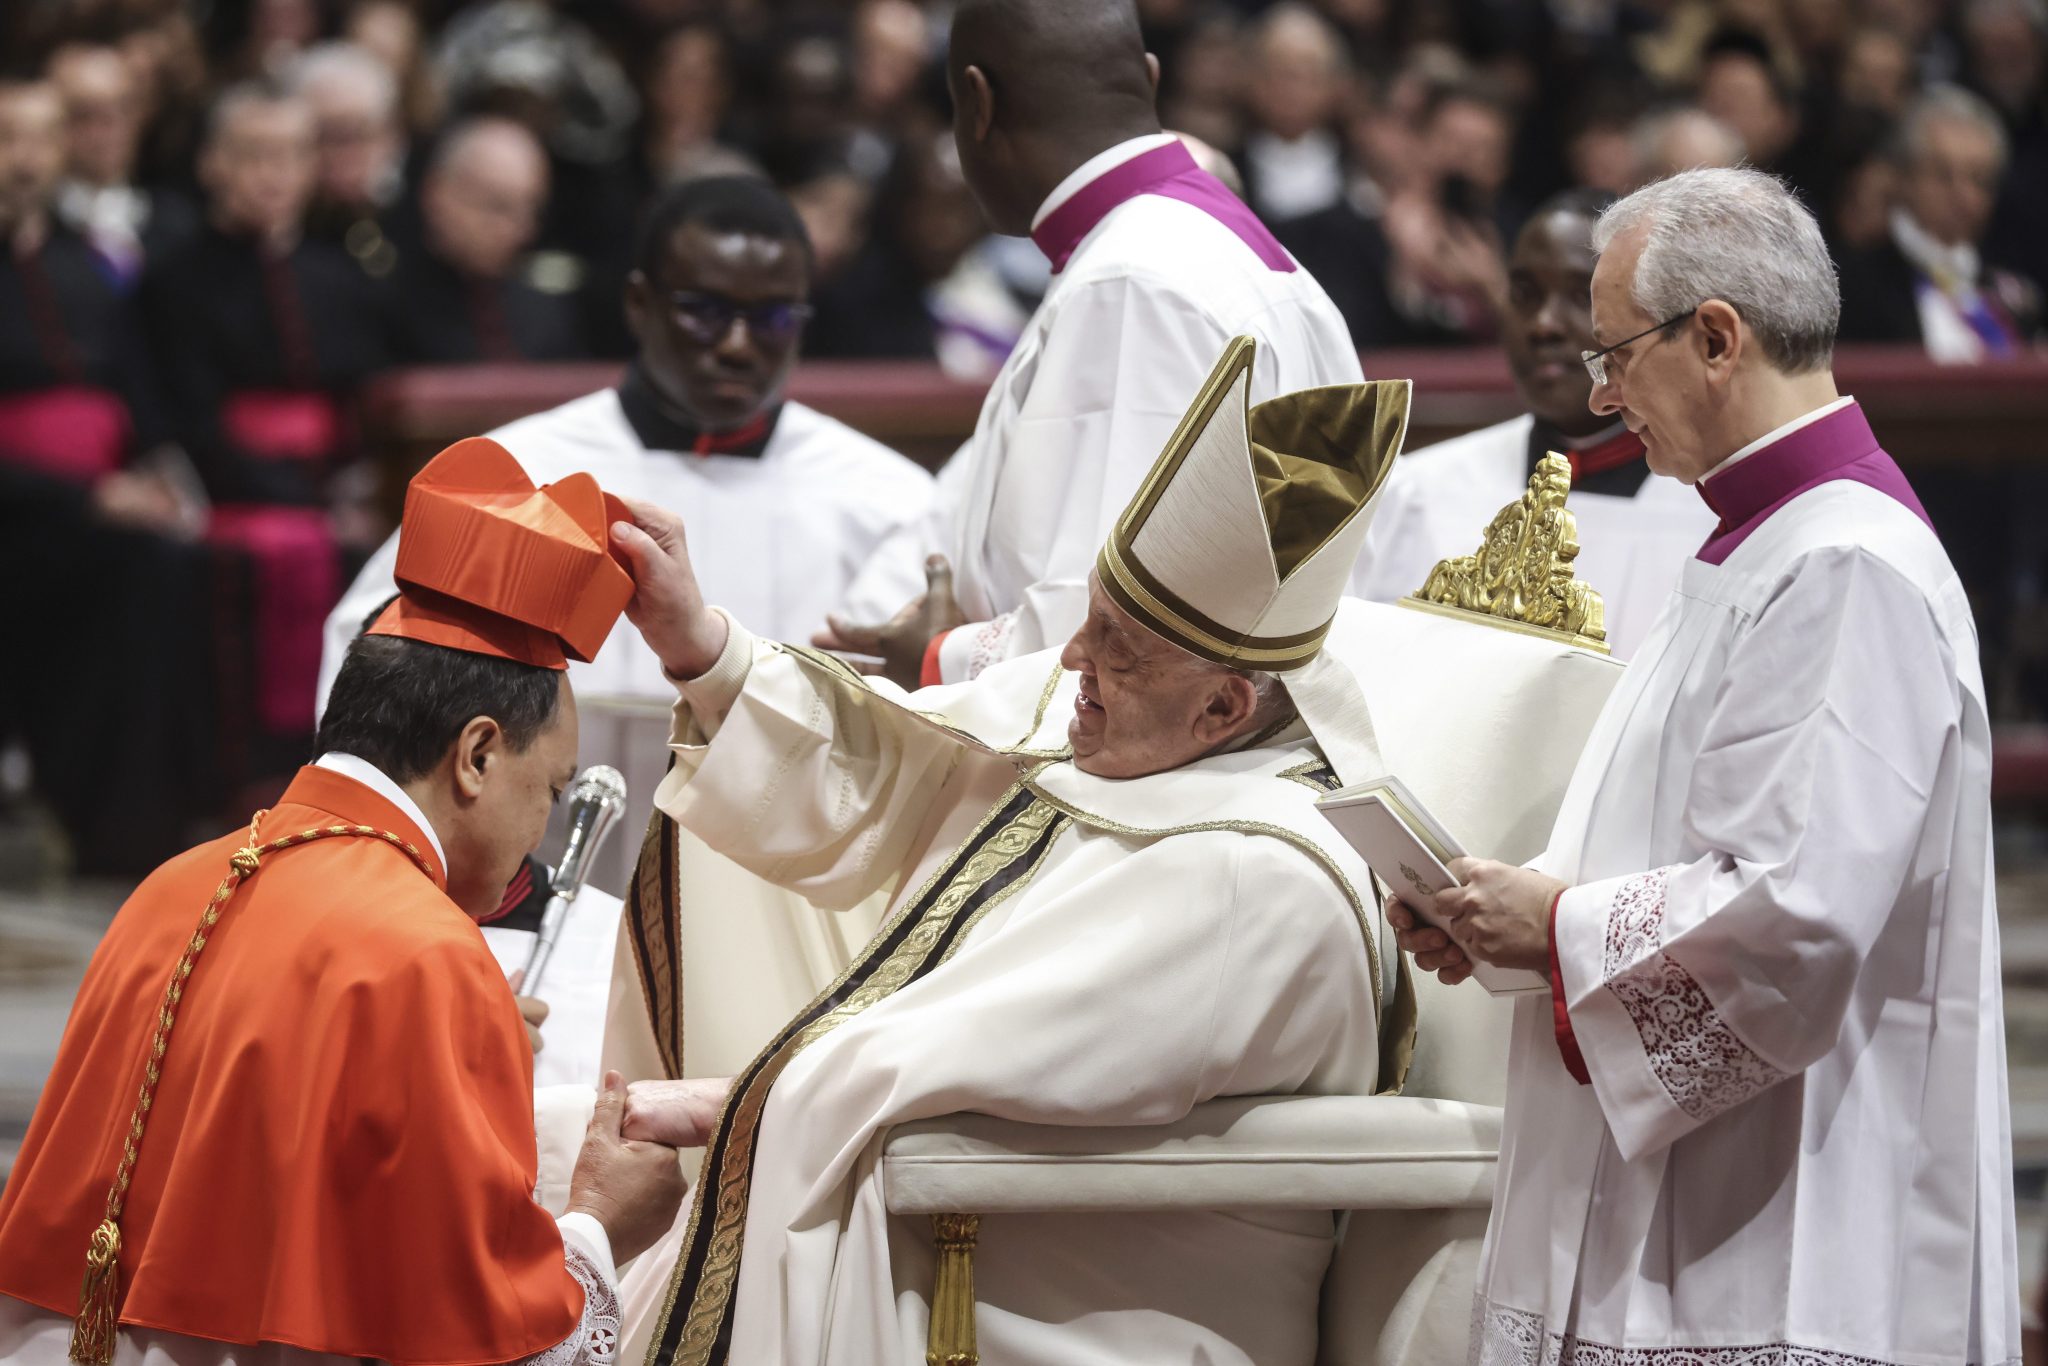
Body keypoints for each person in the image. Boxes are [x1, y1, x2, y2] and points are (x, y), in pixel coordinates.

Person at [612, 336, 1410, 1365]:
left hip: (1075, 1310)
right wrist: (697, 646)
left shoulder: (1259, 875)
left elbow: (937, 1062)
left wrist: (732, 1104)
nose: (1071, 658)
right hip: (976, 1239)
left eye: (1115, 646)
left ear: (1224, 705)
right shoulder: (1115, 722)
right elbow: (882, 763)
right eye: (1087, 619)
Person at [1387, 167, 2019, 1361]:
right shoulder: (1763, 542)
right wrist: (1503, 917)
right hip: (1714, 1173)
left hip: (1781, 1206)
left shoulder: (1843, 565)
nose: (1601, 388)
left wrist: (1558, 924)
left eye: (1614, 353)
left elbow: (1794, 907)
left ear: (1716, 336)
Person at [0, 439, 686, 1364]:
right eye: (550, 791)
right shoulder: (431, 952)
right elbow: (492, 1344)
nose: (541, 832)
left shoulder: (178, 880)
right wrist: (603, 1223)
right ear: (478, 756)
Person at [323, 173, 934, 885]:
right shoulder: (523, 474)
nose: (738, 345)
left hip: (775, 891)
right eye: (705, 312)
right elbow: (374, 667)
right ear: (640, 303)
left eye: (773, 319)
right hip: (528, 885)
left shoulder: (887, 500)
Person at [821, 0, 1360, 690]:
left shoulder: (1133, 281)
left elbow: (1106, 635)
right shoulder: (1230, 248)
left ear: (978, 105)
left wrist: (936, 657)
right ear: (1148, 78)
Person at [1350, 189, 1717, 657]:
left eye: (1581, 296)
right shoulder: (1417, 490)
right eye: (1524, 295)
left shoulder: (1708, 510)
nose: (1543, 324)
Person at [1838, 84, 2042, 360]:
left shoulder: (2017, 295)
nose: (1964, 196)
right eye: (1943, 175)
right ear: (1905, 177)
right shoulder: (1853, 287)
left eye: (1980, 180)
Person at [387, 115, 586, 363]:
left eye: (531, 210)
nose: (521, 230)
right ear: (436, 194)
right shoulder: (383, 306)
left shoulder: (543, 313)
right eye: (498, 207)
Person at [46, 42, 199, 284]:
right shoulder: (31, 235)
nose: (107, 129)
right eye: (84, 114)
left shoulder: (178, 226)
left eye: (123, 109)